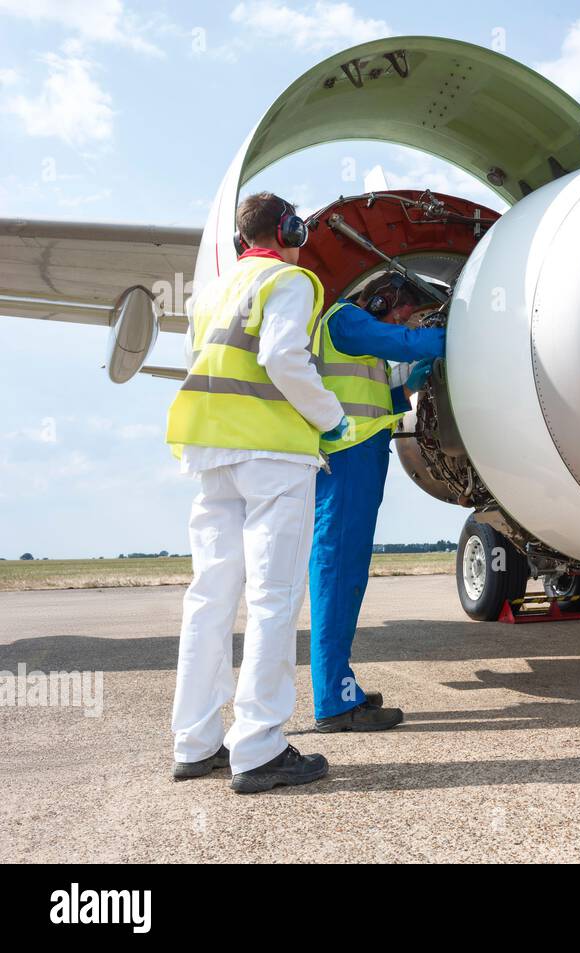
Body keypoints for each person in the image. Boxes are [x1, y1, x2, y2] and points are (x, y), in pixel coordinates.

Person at [166, 192, 353, 794]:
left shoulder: (214, 290)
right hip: (272, 455)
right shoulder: (289, 279)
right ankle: (259, 749)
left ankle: (195, 743)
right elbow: (281, 357)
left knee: (211, 597)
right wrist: (329, 417)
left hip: (210, 452)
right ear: (289, 228)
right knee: (273, 598)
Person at [308, 270, 446, 732]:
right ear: (382, 299)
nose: (410, 323)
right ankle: (332, 700)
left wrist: (413, 383)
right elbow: (403, 343)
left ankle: (341, 688)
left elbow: (382, 398)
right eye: (407, 312)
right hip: (346, 464)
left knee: (347, 575)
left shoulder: (363, 344)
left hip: (361, 465)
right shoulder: (345, 320)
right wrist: (456, 339)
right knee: (337, 572)